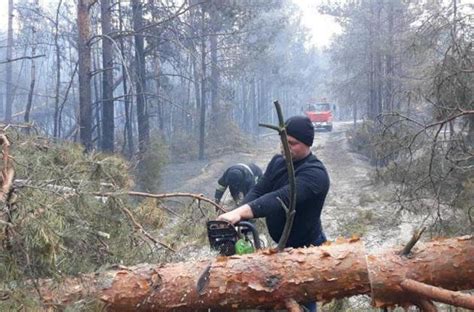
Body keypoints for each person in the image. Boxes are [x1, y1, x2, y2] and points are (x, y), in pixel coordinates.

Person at [217, 115, 330, 312]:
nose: (285, 148)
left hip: (307, 247)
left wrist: (242, 213)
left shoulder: (316, 174)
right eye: (283, 142)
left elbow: (280, 198)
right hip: (282, 245)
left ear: (307, 144)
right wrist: (236, 212)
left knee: (303, 299)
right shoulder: (278, 161)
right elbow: (260, 190)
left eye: (292, 144)